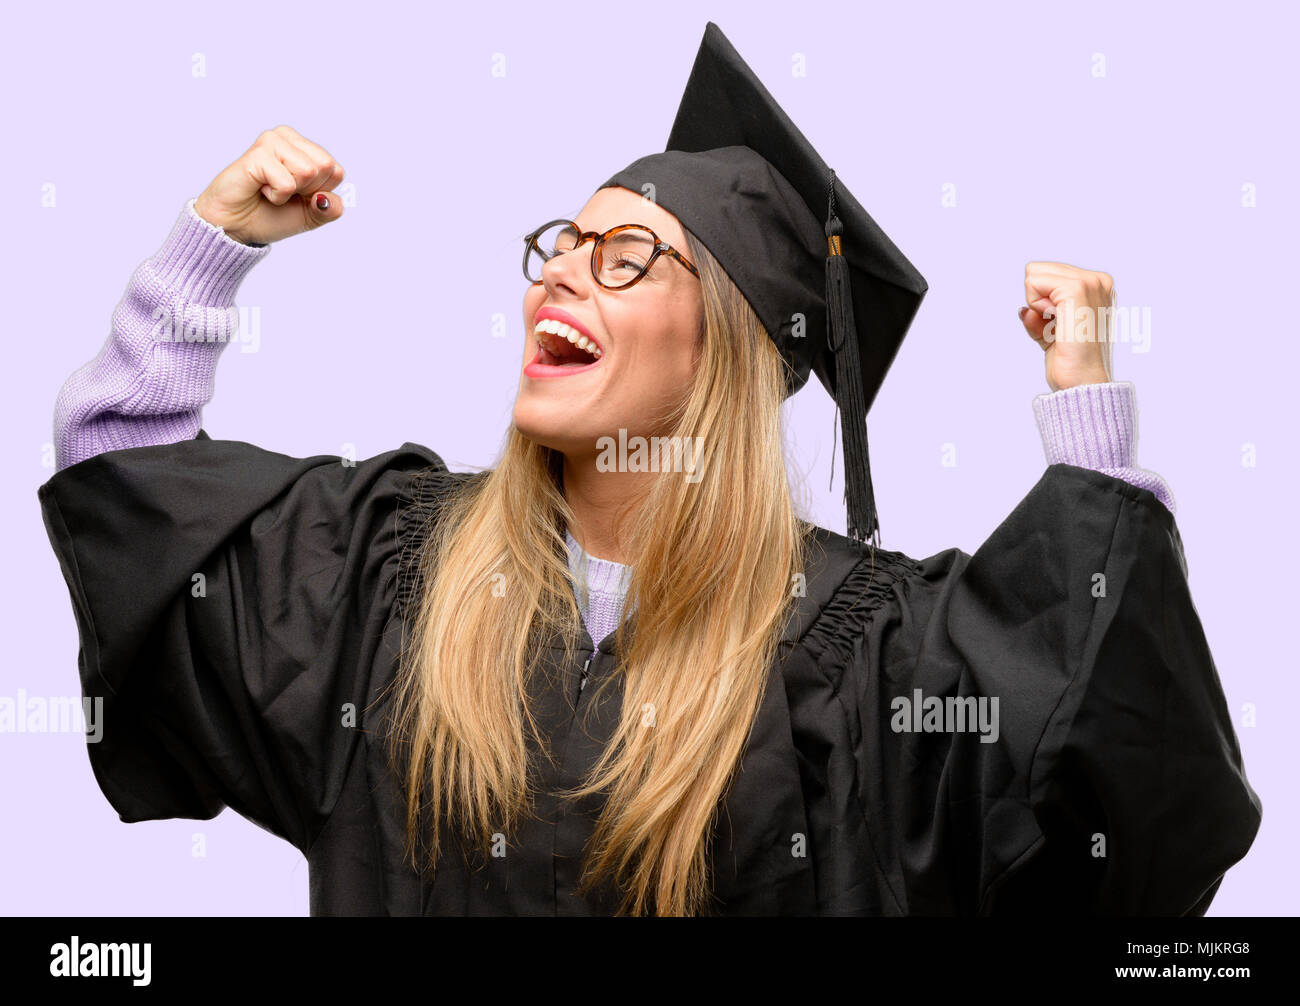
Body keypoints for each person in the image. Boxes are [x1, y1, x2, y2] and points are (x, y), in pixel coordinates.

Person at [37, 23, 1259, 916]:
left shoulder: (865, 654)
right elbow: (134, 500)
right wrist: (211, 253)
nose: (564, 269)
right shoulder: (393, 576)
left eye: (626, 256)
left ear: (721, 350)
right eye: (562, 243)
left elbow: (1120, 783)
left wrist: (1087, 420)